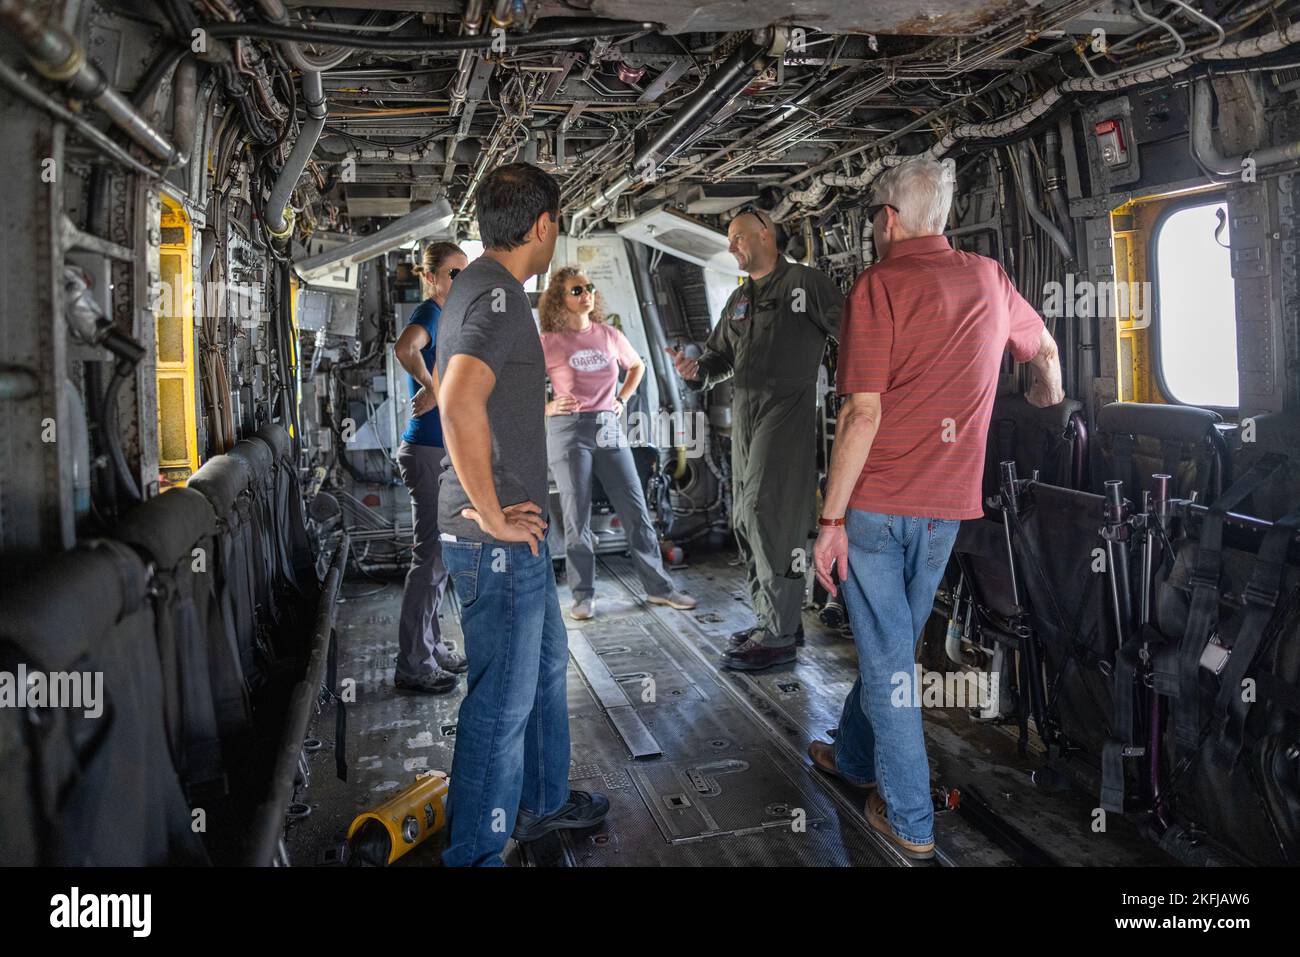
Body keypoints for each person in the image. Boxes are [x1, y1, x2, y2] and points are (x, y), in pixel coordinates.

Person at [809, 158, 1064, 861]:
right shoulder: (989, 278)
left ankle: (911, 817)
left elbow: (862, 413)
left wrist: (829, 522)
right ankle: (855, 756)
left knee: (890, 655)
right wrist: (1047, 396)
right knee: (892, 643)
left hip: (876, 509)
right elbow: (1043, 348)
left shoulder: (877, 285)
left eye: (870, 219)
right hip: (946, 511)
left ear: (887, 219)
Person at [436, 163, 609, 867]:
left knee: (541, 672)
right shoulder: (503, 299)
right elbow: (456, 399)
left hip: (516, 534)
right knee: (500, 707)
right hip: (498, 540)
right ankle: (475, 853)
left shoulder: (480, 286)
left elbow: (487, 399)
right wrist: (492, 514)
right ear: (543, 226)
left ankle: (540, 801)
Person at [665, 206, 843, 671]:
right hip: (746, 418)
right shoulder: (740, 299)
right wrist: (694, 371)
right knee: (745, 517)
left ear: (765, 233)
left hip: (786, 416)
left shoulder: (804, 284)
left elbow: (853, 333)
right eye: (729, 240)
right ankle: (773, 618)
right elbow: (717, 360)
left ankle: (778, 635)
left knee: (770, 516)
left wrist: (860, 393)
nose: (731, 247)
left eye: (738, 237)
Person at [538, 267, 698, 620]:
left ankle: (659, 589)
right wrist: (548, 405)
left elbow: (636, 367)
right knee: (575, 514)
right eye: (577, 290)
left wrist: (621, 399)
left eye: (589, 287)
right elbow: (516, 386)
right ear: (559, 299)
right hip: (568, 429)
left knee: (635, 508)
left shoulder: (608, 334)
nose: (586, 294)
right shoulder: (548, 342)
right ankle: (583, 595)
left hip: (608, 426)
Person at [391, 241, 470, 694]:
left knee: (441, 559)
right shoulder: (431, 313)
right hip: (427, 453)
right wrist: (434, 384)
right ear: (432, 279)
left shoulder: (449, 316)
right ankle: (413, 663)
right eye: (453, 273)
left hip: (440, 451)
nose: (461, 280)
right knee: (431, 559)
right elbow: (406, 348)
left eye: (466, 271)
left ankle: (432, 645)